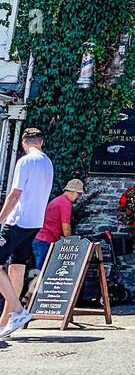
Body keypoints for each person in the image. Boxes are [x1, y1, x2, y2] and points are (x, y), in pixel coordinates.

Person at [0, 128, 55, 340]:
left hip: (18, 220)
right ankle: (6, 322)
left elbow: (15, 194)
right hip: (34, 222)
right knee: (16, 269)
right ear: (41, 142)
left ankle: (19, 311)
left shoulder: (25, 162)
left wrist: (1, 218)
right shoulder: (47, 162)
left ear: (24, 143)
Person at [32, 179, 85, 272]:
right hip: (45, 240)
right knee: (41, 272)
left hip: (41, 238)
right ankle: (36, 286)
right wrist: (72, 242)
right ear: (72, 192)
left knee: (40, 270)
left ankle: (35, 285)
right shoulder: (66, 203)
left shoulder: (59, 200)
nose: (79, 197)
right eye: (78, 194)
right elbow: (66, 226)